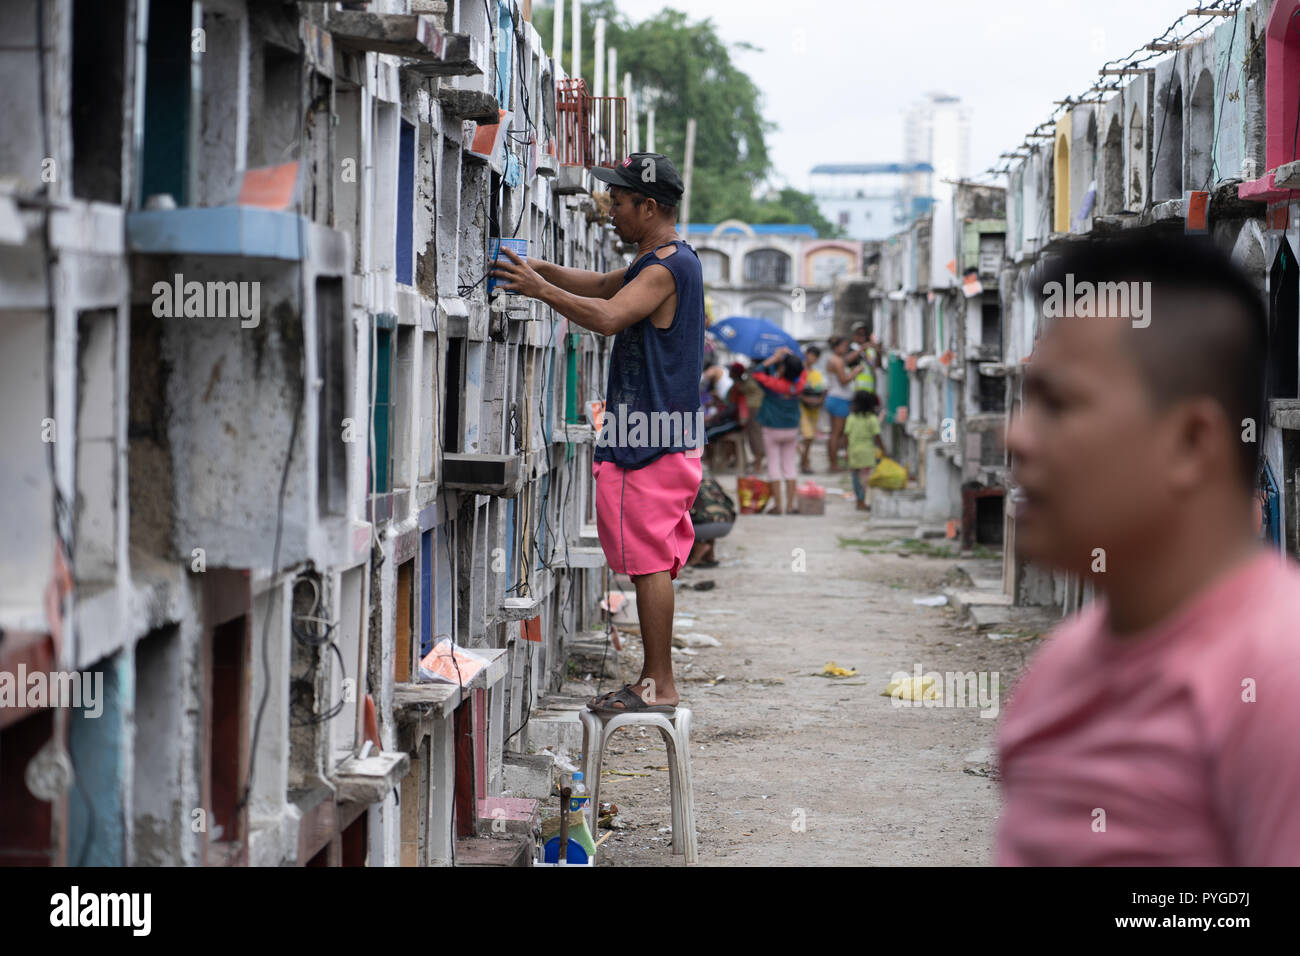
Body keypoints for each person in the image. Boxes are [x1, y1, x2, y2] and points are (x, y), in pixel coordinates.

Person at [996, 233, 1300, 865]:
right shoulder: (1067, 660)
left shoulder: (1277, 680)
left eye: (1060, 403)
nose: (1017, 437)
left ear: (1192, 441)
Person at [490, 151, 701, 716]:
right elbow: (604, 286)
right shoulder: (658, 259)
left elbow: (608, 316)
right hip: (661, 428)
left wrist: (539, 292)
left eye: (619, 199)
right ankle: (655, 679)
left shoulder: (663, 269)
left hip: (649, 433)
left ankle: (658, 683)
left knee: (649, 560)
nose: (609, 208)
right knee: (650, 556)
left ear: (649, 206)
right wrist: (533, 269)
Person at [751, 346, 808, 514]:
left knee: (774, 467)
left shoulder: (773, 384)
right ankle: (791, 506)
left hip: (772, 429)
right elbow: (802, 371)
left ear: (783, 369)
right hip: (791, 429)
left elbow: (757, 373)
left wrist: (774, 359)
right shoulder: (798, 386)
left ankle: (778, 506)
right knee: (790, 466)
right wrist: (793, 358)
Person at [845, 390, 885, 511]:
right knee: (865, 480)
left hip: (853, 452)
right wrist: (883, 450)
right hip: (867, 453)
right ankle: (864, 502)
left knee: (855, 478)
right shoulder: (872, 419)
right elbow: (877, 436)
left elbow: (846, 436)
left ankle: (859, 501)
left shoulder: (851, 418)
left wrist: (847, 451)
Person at [685, 471, 735, 567]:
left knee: (689, 516)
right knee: (713, 514)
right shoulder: (712, 482)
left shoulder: (688, 481)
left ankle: (698, 549)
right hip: (727, 524)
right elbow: (729, 503)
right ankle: (710, 554)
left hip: (702, 526)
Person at [823, 335, 857, 471]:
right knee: (837, 433)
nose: (846, 348)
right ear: (836, 347)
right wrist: (855, 372)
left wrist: (861, 350)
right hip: (839, 399)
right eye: (844, 346)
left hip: (836, 398)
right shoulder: (837, 361)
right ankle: (833, 464)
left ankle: (834, 462)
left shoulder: (836, 359)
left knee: (837, 433)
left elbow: (848, 359)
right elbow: (843, 380)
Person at [798, 345, 826, 473]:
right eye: (811, 355)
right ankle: (805, 462)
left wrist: (819, 400)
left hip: (814, 409)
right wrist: (805, 399)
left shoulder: (817, 374)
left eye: (815, 356)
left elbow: (823, 389)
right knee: (807, 435)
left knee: (810, 437)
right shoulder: (799, 371)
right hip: (801, 407)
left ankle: (804, 459)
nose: (812, 358)